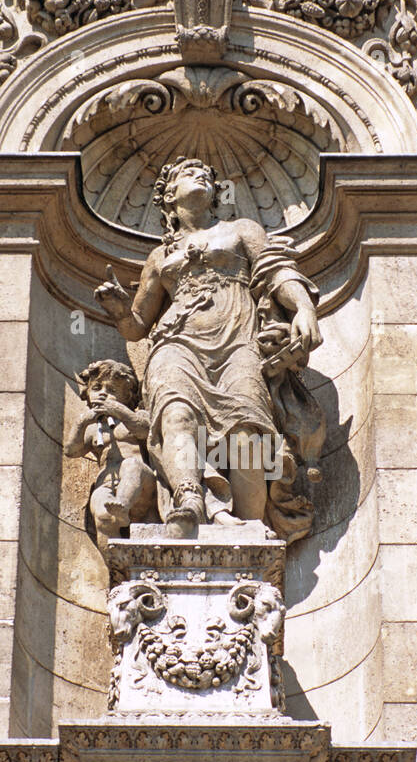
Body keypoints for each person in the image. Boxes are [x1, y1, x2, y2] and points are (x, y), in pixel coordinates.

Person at [95, 156, 324, 539]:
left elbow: (275, 270)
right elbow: (137, 326)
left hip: (238, 340)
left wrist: (303, 307)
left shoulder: (241, 231)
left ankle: (249, 529)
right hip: (176, 343)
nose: (200, 175)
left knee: (247, 435)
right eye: (188, 172)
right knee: (175, 416)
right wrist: (120, 309)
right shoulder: (158, 258)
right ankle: (189, 501)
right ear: (169, 195)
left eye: (206, 174)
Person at [64, 358, 156, 542]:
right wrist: (82, 422)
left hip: (141, 482)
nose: (103, 394)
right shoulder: (92, 428)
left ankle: (122, 504)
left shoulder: (136, 416)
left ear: (127, 397)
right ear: (88, 392)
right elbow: (71, 451)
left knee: (131, 465)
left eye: (112, 390)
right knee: (102, 514)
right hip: (106, 481)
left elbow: (144, 430)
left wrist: (118, 411)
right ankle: (116, 567)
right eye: (97, 388)